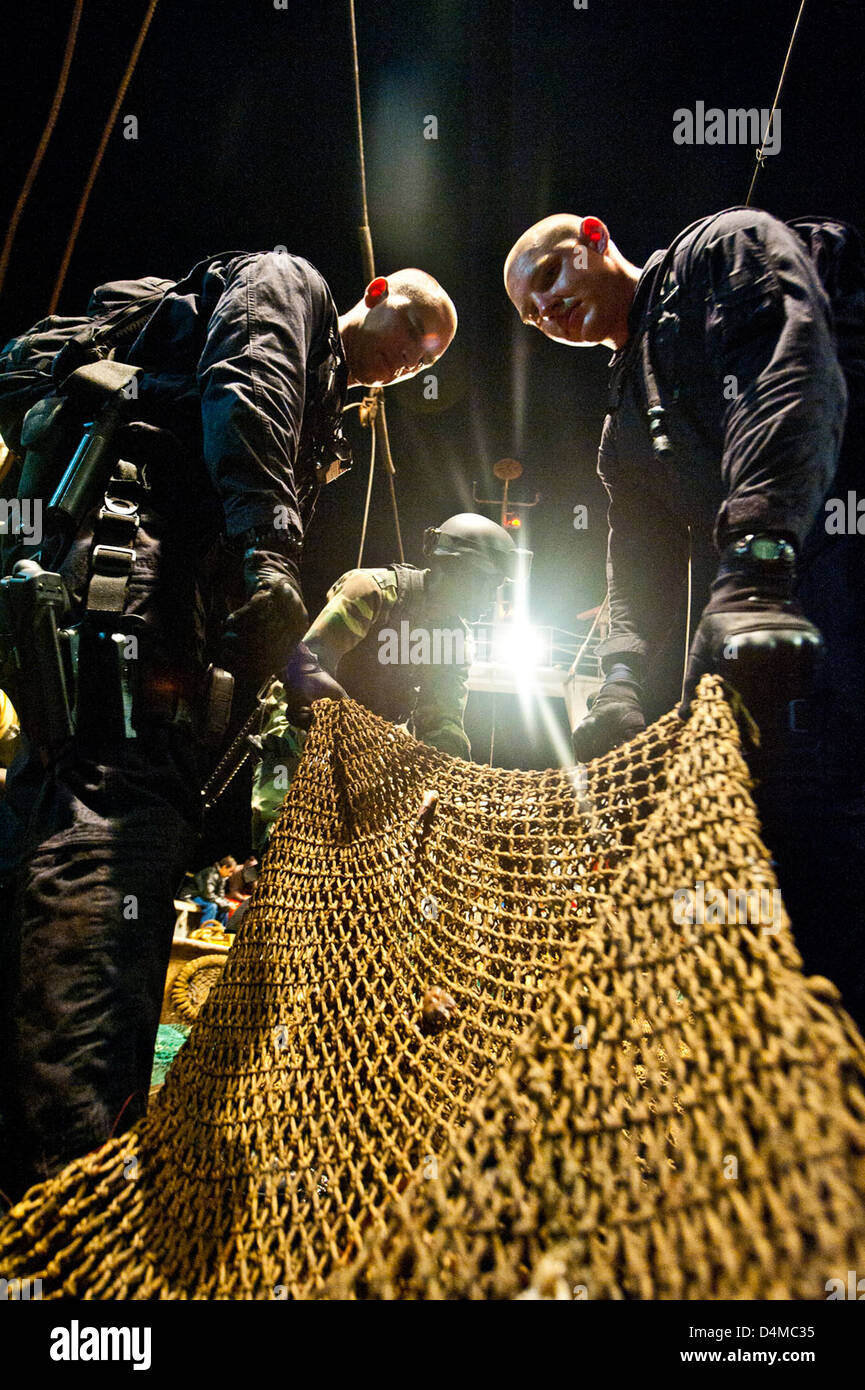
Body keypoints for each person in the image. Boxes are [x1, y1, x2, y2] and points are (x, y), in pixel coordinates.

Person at [0, 250, 456, 1200]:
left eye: (425, 363)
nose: (409, 362)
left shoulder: (327, 405)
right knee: (107, 851)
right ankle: (69, 1194)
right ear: (373, 295)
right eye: (412, 331)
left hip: (131, 620)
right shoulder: (291, 288)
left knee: (75, 844)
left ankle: (43, 1175)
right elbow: (245, 388)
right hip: (129, 602)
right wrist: (270, 560)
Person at [505, 207, 865, 1026]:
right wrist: (617, 686)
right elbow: (637, 567)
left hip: (828, 561)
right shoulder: (622, 420)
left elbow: (792, 369)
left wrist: (757, 559)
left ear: (597, 236)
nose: (545, 311)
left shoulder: (720, 250)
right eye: (530, 313)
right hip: (766, 622)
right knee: (786, 831)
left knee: (842, 813)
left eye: (549, 278)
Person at [251, 513, 517, 855]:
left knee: (371, 855)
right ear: (453, 567)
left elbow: (443, 723)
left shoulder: (455, 639)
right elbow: (308, 668)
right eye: (484, 582)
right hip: (306, 721)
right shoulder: (373, 591)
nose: (489, 598)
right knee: (285, 844)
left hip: (372, 739)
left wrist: (449, 784)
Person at [179, 854, 238, 927]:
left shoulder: (222, 877)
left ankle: (219, 931)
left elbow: (221, 895)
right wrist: (224, 903)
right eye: (230, 871)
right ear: (224, 867)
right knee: (212, 906)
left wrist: (227, 904)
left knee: (225, 908)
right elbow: (208, 895)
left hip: (204, 897)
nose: (230, 875)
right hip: (192, 896)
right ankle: (206, 930)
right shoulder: (211, 873)